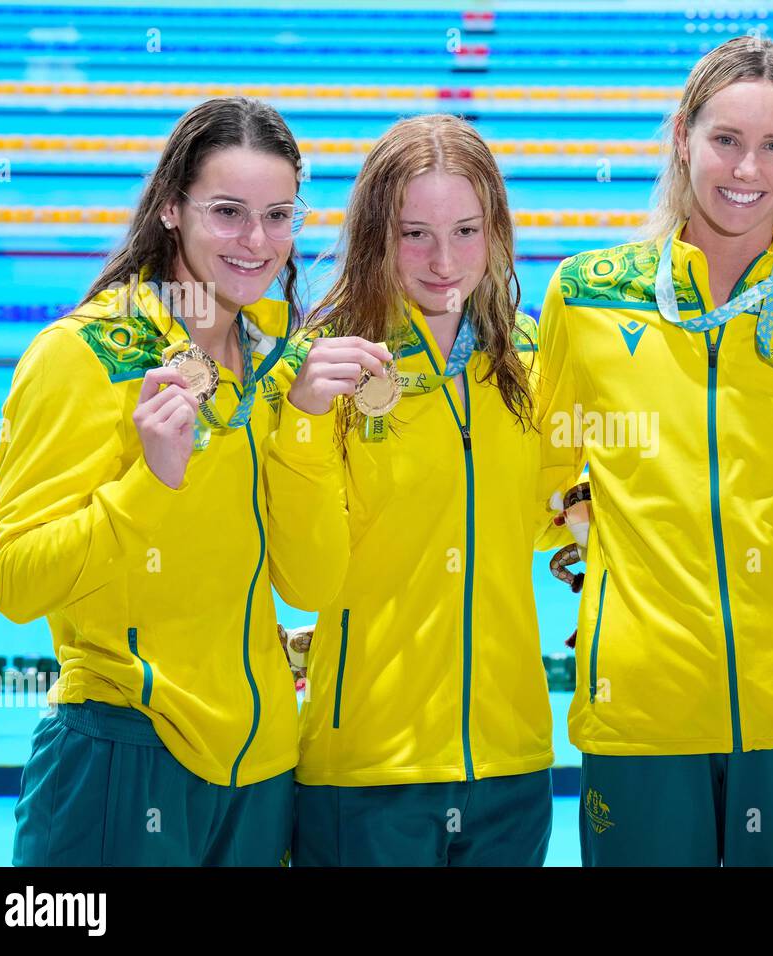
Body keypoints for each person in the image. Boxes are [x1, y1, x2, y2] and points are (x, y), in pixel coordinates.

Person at [537, 36, 773, 866]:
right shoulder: (589, 292)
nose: (748, 168)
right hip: (638, 710)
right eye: (726, 140)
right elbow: (541, 476)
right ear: (681, 139)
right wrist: (595, 563)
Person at [0, 96, 353, 866]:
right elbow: (15, 583)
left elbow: (313, 580)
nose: (257, 242)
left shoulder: (277, 368)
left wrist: (309, 428)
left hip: (260, 771)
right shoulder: (85, 355)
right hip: (123, 753)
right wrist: (150, 485)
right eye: (227, 212)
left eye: (279, 215)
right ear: (169, 210)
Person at [283, 114, 557, 866]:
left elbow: (541, 518)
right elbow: (303, 569)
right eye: (415, 235)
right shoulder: (322, 369)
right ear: (375, 234)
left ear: (497, 231)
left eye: (467, 231)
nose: (445, 262)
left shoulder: (526, 361)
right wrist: (304, 422)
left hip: (510, 766)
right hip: (369, 770)